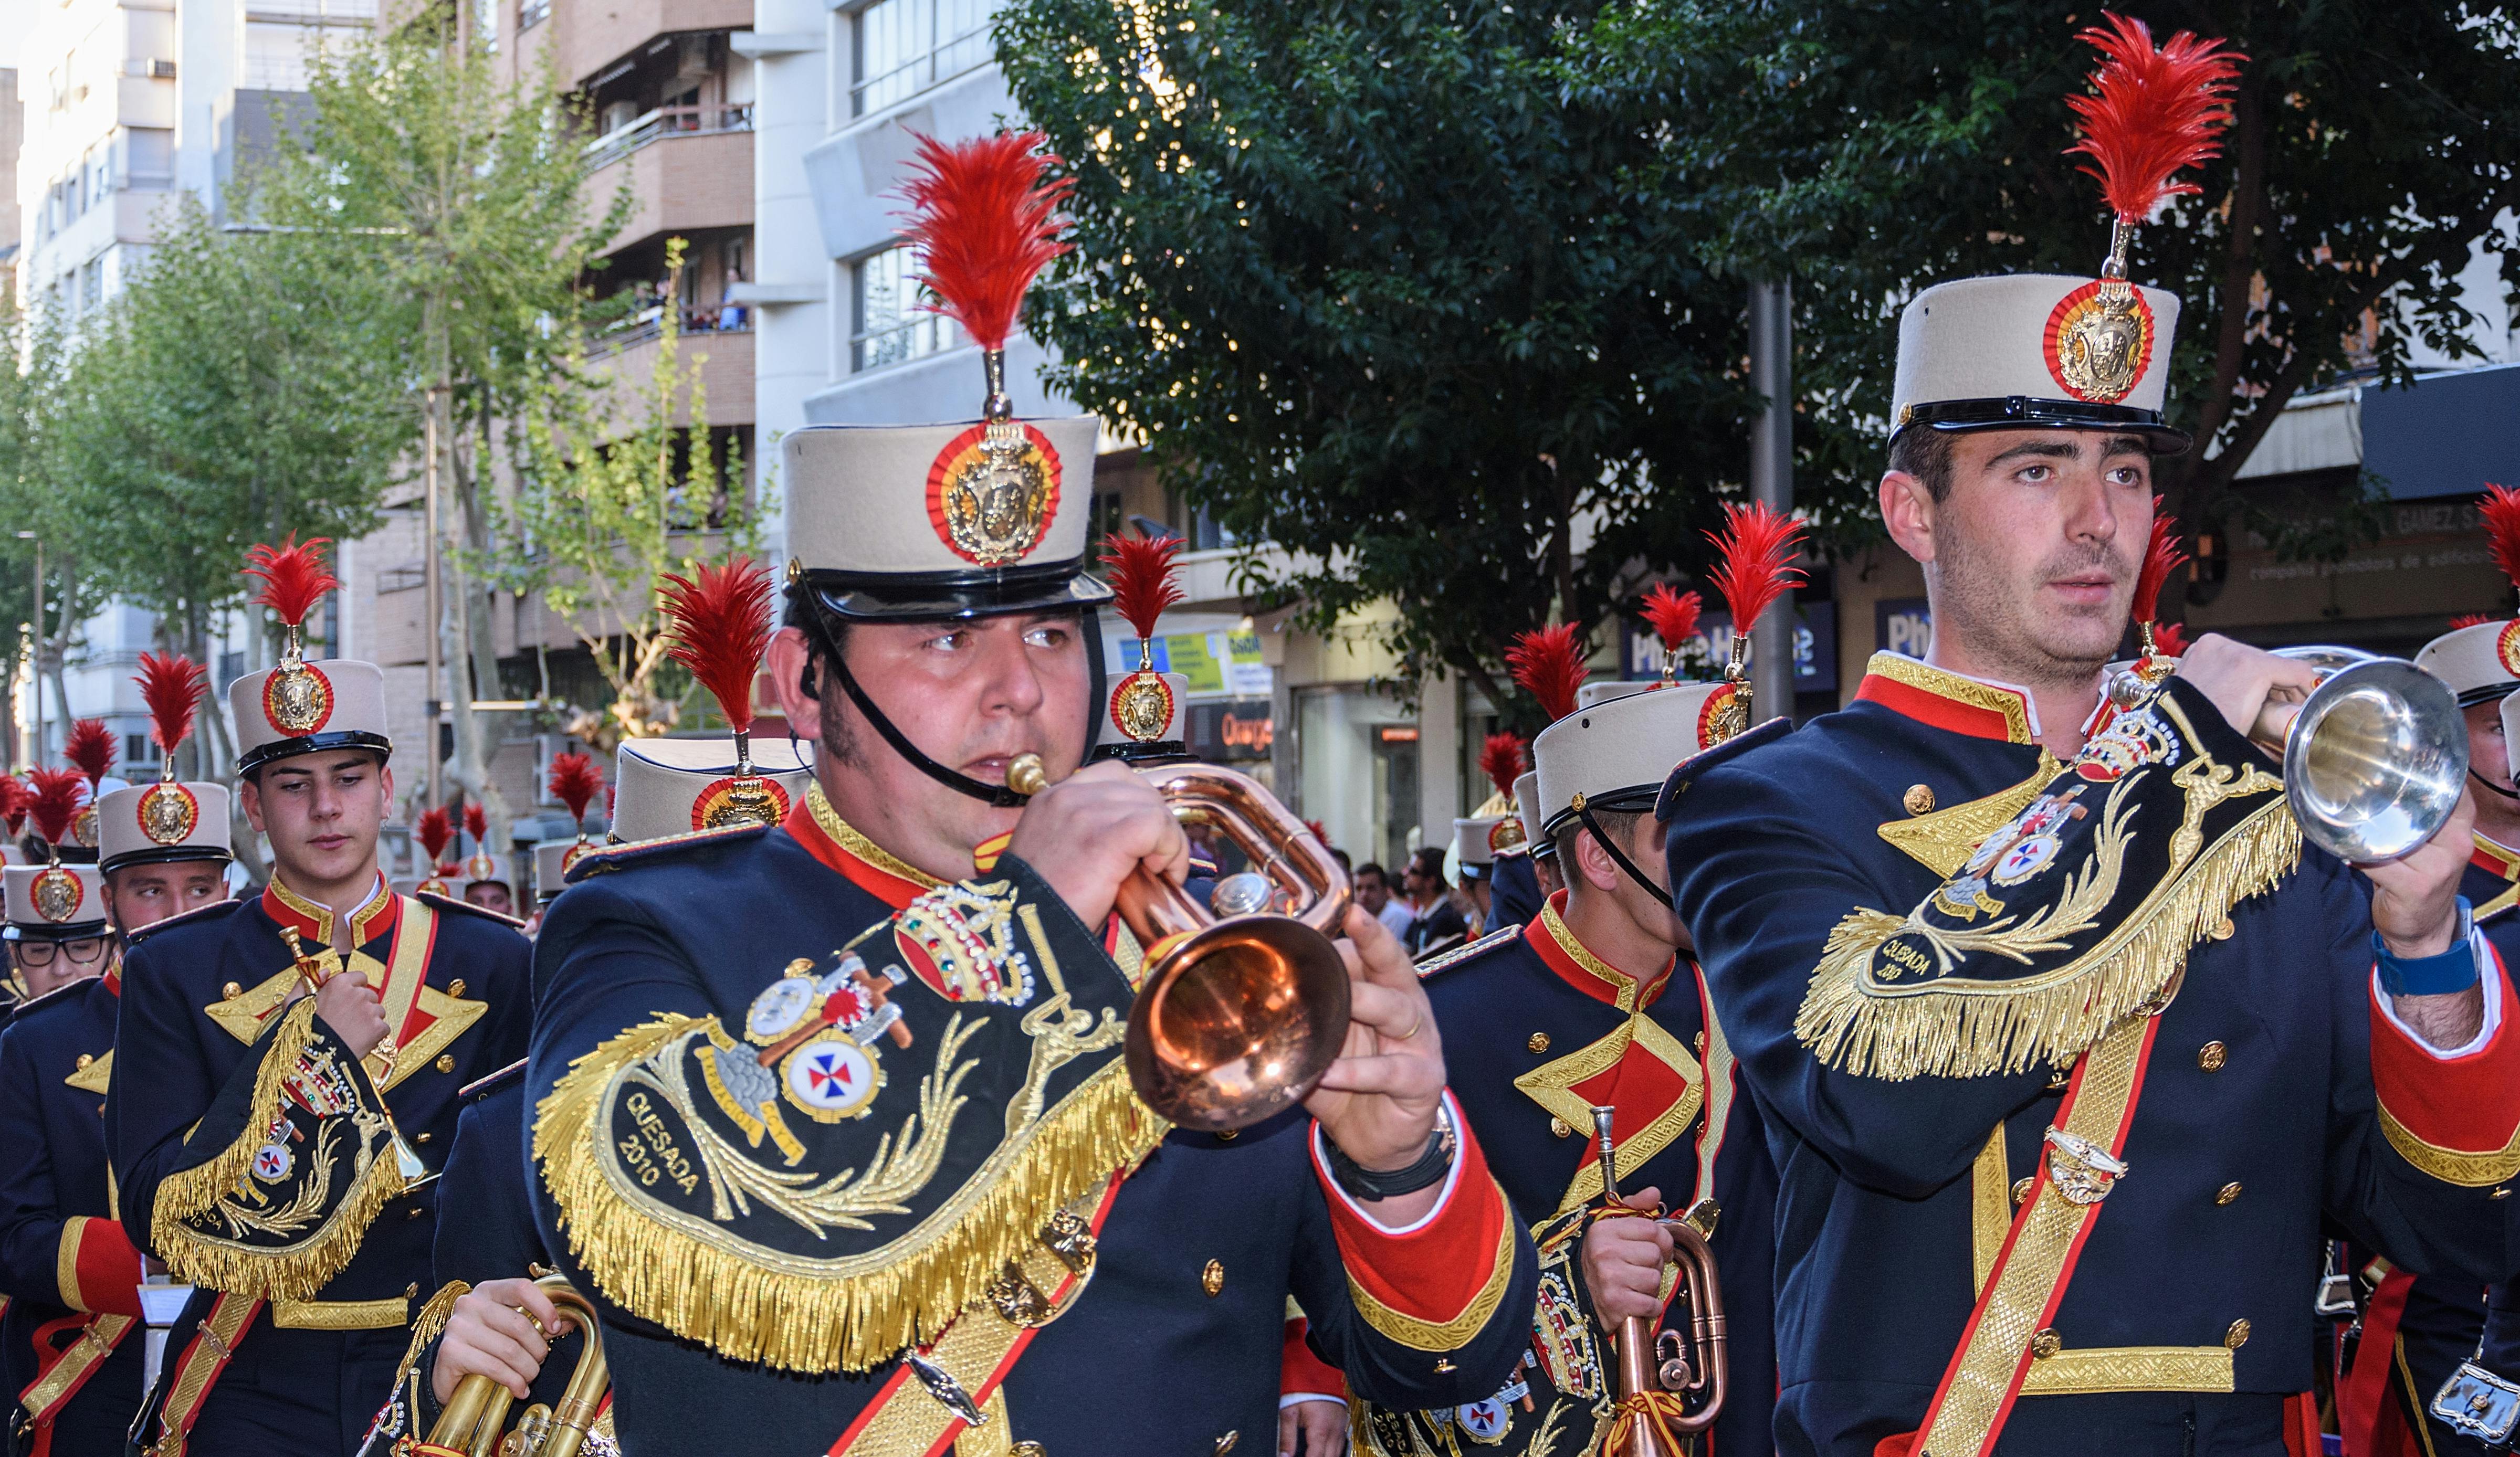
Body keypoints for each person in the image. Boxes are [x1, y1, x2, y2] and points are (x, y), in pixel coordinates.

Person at [522, 128, 1534, 1455]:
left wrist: (1396, 1157)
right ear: (801, 683)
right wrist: (1029, 923)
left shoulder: (1208, 939)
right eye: (947, 639)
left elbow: (1443, 1366)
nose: (1019, 691)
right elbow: (655, 1211)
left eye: (1050, 634)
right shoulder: (654, 923)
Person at [1666, 24, 2520, 1454]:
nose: (2098, 520)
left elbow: (2448, 1217)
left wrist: (2429, 945)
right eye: (2034, 469)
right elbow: (1885, 1100)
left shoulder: (2272, 801)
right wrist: (2179, 744)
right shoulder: (1769, 802)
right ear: (1911, 515)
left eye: (2124, 468)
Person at [1356, 552, 1790, 1455]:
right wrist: (1560, 1285)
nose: (1729, 861)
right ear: (1598, 857)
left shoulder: (1758, 1007)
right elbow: (1369, 1286)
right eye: (1690, 836)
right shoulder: (1445, 1016)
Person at [111, 537, 533, 1456]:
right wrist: (318, 1057)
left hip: (443, 1355)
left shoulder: (493, 959)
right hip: (248, 1369)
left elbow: (527, 1182)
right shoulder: (172, 969)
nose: (326, 809)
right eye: (294, 787)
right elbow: (153, 1212)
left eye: (348, 780)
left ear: (387, 789)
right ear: (253, 810)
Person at [0, 653, 233, 1455]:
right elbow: (12, 1233)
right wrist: (160, 1261)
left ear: (229, 894)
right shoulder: (36, 1044)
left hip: (250, 1382)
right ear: (110, 904)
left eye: (199, 890)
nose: (174, 914)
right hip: (85, 1383)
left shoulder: (290, 1026)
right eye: (149, 891)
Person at [1358, 863, 1410, 939]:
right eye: (1358, 888)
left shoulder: (1396, 916)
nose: (1364, 894)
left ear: (1386, 890)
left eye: (1371, 888)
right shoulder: (1358, 917)